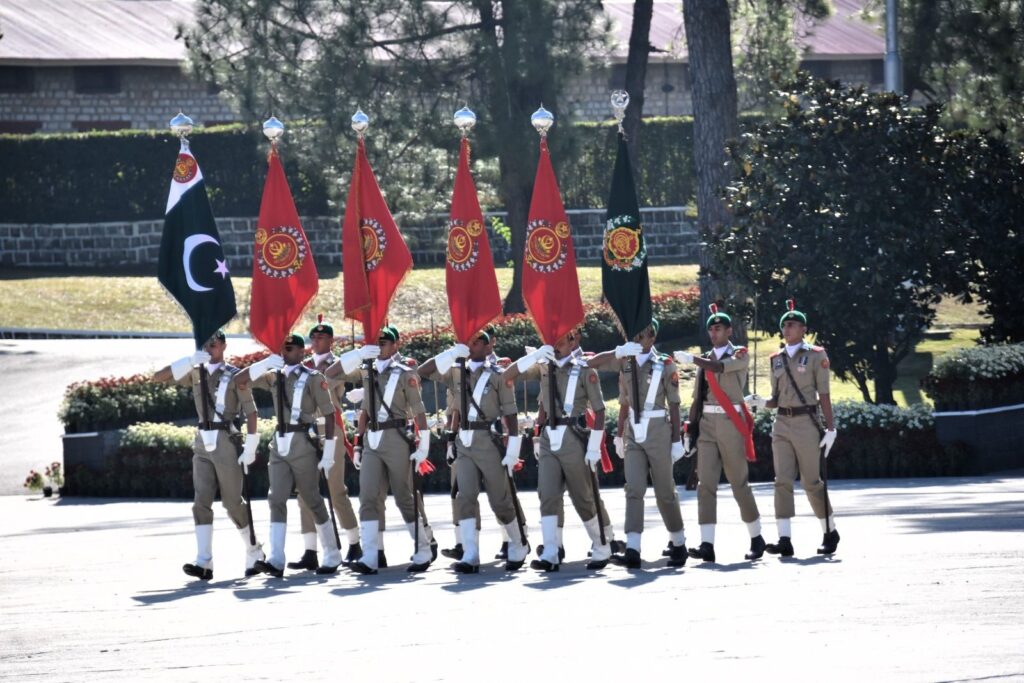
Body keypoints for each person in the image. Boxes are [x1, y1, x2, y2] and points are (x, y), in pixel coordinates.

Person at [152, 330, 264, 580]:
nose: (210, 348)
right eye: (206, 344)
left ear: (224, 346)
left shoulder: (235, 375)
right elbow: (158, 377)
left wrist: (251, 446)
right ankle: (204, 561)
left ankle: (253, 550)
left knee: (233, 502)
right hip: (202, 440)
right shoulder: (196, 371)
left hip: (226, 439)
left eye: (214, 344)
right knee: (200, 502)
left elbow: (252, 412)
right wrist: (189, 360)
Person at [420, 329, 530, 572]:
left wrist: (513, 447)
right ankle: (470, 553)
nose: (470, 345)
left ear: (487, 344)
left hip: (488, 441)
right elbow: (423, 372)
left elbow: (510, 413)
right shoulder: (457, 371)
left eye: (475, 341)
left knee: (499, 499)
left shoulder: (499, 375)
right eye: (466, 341)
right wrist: (450, 354)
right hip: (464, 441)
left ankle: (517, 544)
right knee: (465, 497)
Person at [503, 329, 612, 572]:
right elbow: (508, 375)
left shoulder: (585, 369)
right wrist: (535, 356)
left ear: (573, 340)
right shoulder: (544, 367)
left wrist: (594, 447)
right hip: (549, 438)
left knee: (583, 497)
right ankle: (551, 551)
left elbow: (600, 410)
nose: (554, 343)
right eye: (550, 339)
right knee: (547, 495)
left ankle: (601, 546)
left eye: (560, 339)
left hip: (572, 435)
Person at [237, 333, 343, 577]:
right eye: (283, 349)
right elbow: (240, 380)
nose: (286, 352)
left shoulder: (313, 378)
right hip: (279, 442)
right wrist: (264, 362)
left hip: (303, 442)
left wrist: (328, 451)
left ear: (302, 351)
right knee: (275, 498)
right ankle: (276, 558)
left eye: (291, 348)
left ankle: (331, 553)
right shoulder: (274, 375)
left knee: (312, 499)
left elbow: (328, 413)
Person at [587, 319, 688, 568]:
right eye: (634, 335)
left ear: (652, 337)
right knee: (634, 489)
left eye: (641, 335)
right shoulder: (626, 361)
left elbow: (674, 404)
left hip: (658, 430)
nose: (637, 339)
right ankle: (633, 548)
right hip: (633, 429)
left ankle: (678, 541)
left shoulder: (664, 364)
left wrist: (676, 439)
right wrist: (620, 433)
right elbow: (592, 366)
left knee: (665, 490)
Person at [674, 305, 766, 563]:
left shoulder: (740, 354)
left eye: (718, 329)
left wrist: (692, 360)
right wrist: (689, 429)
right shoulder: (705, 358)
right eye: (711, 329)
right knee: (705, 485)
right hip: (707, 425)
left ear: (729, 330)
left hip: (730, 422)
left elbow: (719, 368)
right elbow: (697, 398)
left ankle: (756, 537)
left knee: (738, 483)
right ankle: (707, 544)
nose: (714, 333)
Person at [750, 300, 839, 556]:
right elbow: (775, 399)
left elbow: (824, 394)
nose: (787, 329)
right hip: (782, 423)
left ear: (803, 329)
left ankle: (829, 531)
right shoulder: (776, 359)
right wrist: (759, 401)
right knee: (782, 482)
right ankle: (784, 539)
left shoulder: (816, 355)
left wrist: (830, 428)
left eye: (792, 325)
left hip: (806, 422)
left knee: (811, 482)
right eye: (784, 325)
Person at [348, 325, 434, 575]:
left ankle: (423, 549)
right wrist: (358, 443)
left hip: (396, 436)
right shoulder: (369, 372)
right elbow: (364, 410)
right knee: (367, 496)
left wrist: (425, 444)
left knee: (403, 496)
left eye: (385, 343)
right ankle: (370, 556)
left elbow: (418, 409)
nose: (381, 347)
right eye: (378, 343)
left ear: (395, 345)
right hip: (373, 439)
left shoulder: (405, 373)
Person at [287, 316, 371, 570]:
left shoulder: (338, 366)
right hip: (305, 429)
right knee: (304, 492)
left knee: (335, 489)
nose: (316, 342)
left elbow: (327, 381)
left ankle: (354, 542)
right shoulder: (303, 366)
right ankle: (311, 549)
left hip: (329, 428)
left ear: (331, 341)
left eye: (321, 338)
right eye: (313, 338)